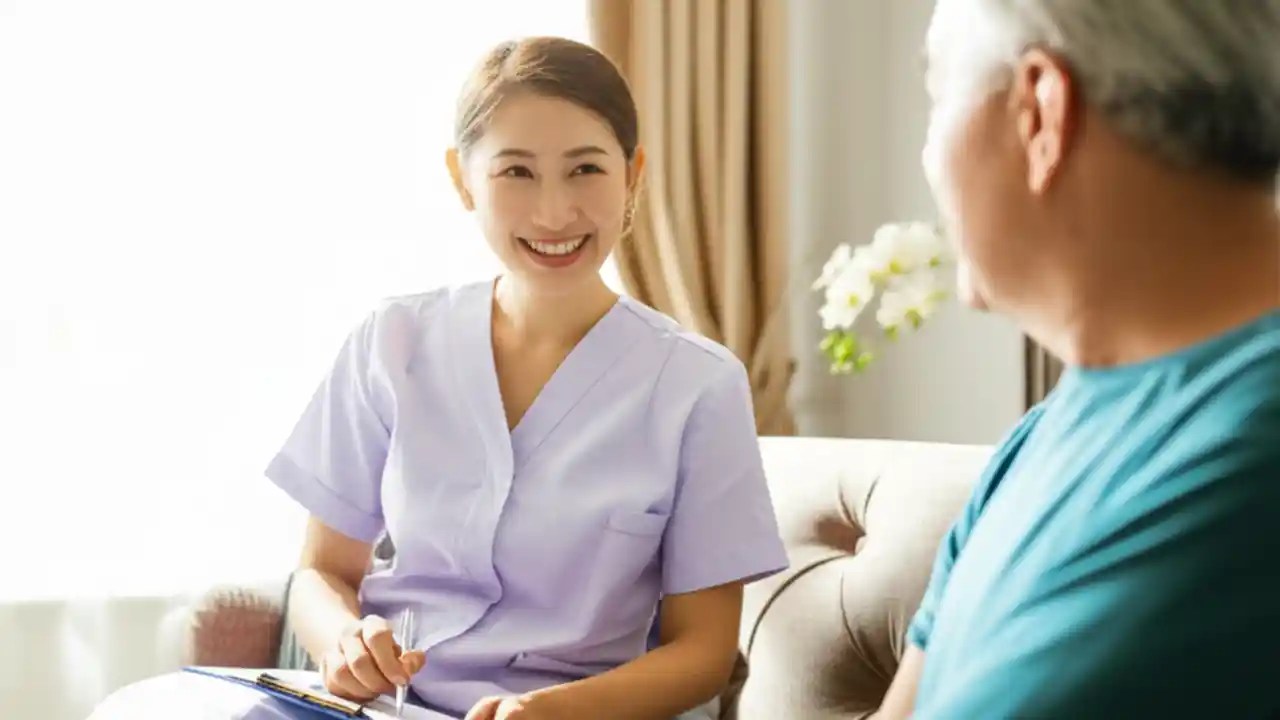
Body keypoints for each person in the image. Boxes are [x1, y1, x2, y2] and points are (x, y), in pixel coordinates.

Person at [91, 36, 787, 720]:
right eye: (516, 172)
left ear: (633, 176)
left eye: (586, 170)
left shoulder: (698, 386)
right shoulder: (392, 343)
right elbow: (322, 573)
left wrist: (555, 712)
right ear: (462, 179)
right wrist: (345, 641)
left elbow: (703, 652)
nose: (553, 211)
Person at [872, 1, 1280, 718]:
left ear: (1039, 111)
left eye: (939, 101)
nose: (929, 157)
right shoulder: (1034, 445)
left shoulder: (1251, 450)